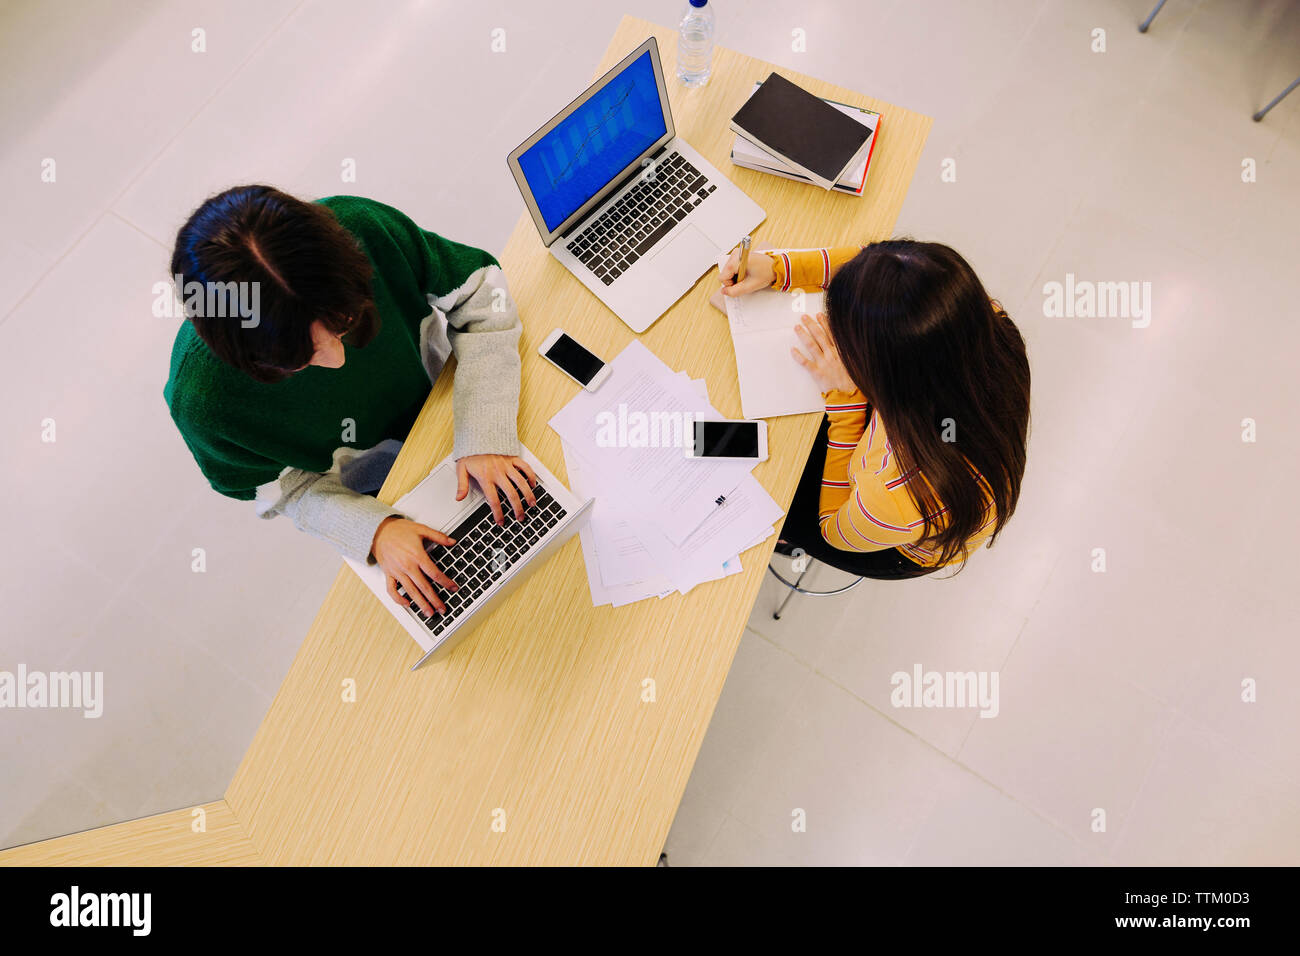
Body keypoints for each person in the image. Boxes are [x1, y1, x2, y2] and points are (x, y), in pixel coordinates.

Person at [164, 185, 536, 616]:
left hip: (452, 398)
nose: (339, 359)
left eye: (344, 324)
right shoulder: (203, 402)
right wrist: (374, 531)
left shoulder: (363, 228)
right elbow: (286, 490)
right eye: (300, 359)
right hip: (382, 491)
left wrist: (485, 429)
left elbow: (481, 294)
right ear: (244, 355)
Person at [718, 240, 1030, 577]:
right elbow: (886, 269)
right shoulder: (982, 321)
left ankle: (785, 540)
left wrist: (845, 398)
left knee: (768, 477)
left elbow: (833, 527)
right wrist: (781, 268)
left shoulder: (895, 497)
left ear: (881, 377)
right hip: (910, 469)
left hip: (884, 538)